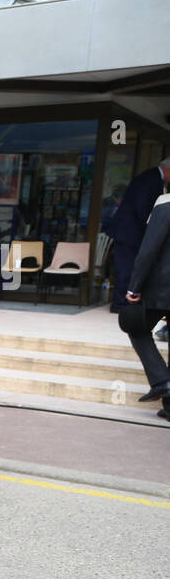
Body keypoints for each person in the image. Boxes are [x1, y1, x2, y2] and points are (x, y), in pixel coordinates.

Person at [122, 196, 170, 419]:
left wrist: (134, 286)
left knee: (137, 329)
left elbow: (149, 250)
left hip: (162, 287)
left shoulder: (165, 204)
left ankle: (161, 380)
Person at [109, 158, 170, 311]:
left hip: (131, 231)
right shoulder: (151, 178)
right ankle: (119, 304)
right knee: (126, 268)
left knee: (128, 267)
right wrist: (151, 228)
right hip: (128, 232)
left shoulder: (152, 177)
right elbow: (142, 206)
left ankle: (122, 302)